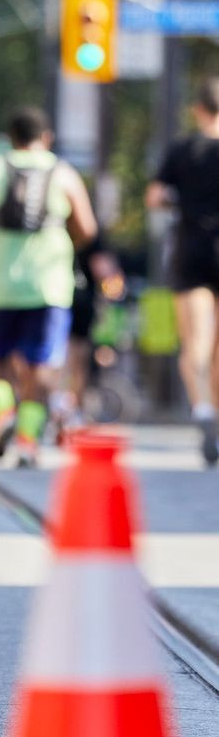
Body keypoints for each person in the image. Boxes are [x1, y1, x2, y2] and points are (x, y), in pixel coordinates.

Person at [0, 106, 98, 467]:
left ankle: (3, 414)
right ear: (46, 137)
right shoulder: (62, 172)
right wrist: (65, 240)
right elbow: (87, 227)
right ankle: (27, 441)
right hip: (47, 285)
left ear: (11, 137)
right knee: (42, 366)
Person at [146, 77, 219, 466]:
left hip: (192, 249)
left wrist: (181, 201)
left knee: (196, 344)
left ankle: (204, 411)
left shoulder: (182, 150)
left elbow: (156, 196)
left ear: (198, 109)